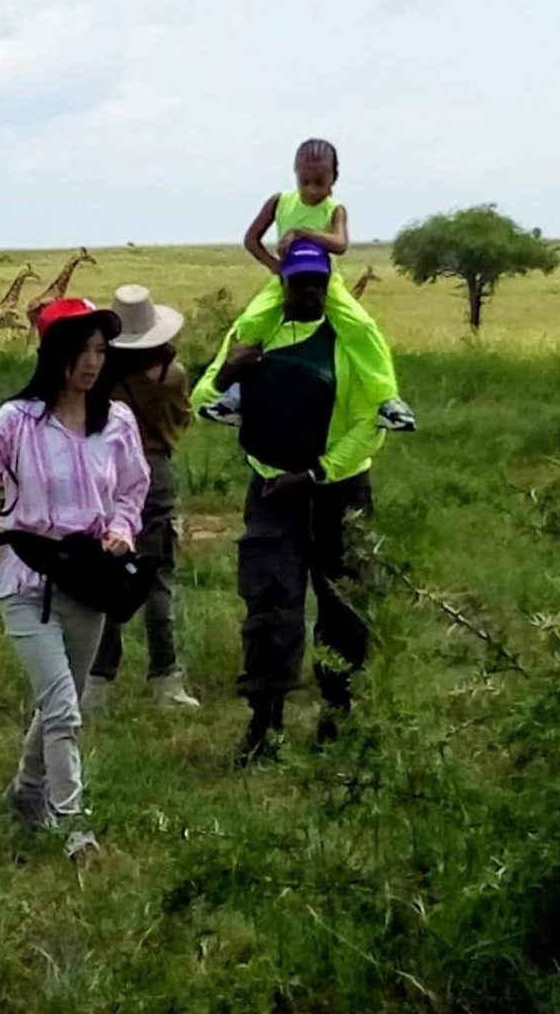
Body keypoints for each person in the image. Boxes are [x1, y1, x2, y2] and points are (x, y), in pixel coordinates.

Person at [0, 298, 150, 859]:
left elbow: (131, 491)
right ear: (55, 356)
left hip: (90, 578)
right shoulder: (16, 420)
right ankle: (75, 829)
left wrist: (122, 530)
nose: (92, 363)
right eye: (81, 351)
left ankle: (26, 793)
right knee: (65, 708)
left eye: (100, 351)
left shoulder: (117, 421)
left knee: (59, 702)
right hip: (27, 579)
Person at [191, 240, 385, 764]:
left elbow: (374, 421)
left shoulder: (352, 339)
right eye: (297, 283)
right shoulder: (258, 333)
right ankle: (265, 727)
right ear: (281, 285)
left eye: (316, 284)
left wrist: (318, 472)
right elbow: (204, 400)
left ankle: (340, 720)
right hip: (273, 488)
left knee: (344, 606)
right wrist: (230, 371)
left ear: (329, 286)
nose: (306, 293)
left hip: (339, 489)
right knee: (270, 604)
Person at [203, 138, 414, 433]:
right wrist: (275, 267)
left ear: (334, 179)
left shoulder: (335, 209)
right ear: (294, 174)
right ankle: (233, 396)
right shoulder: (280, 202)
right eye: (305, 182)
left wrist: (302, 232)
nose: (312, 190)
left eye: (320, 182)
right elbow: (251, 240)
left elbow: (340, 244)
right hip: (286, 278)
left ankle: (386, 400)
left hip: (326, 280)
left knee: (361, 326)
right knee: (250, 323)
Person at [82, 285, 200, 713]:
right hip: (157, 471)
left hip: (108, 476)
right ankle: (166, 677)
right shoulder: (173, 372)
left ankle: (97, 679)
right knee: (158, 578)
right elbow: (182, 420)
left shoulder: (101, 376)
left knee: (107, 576)